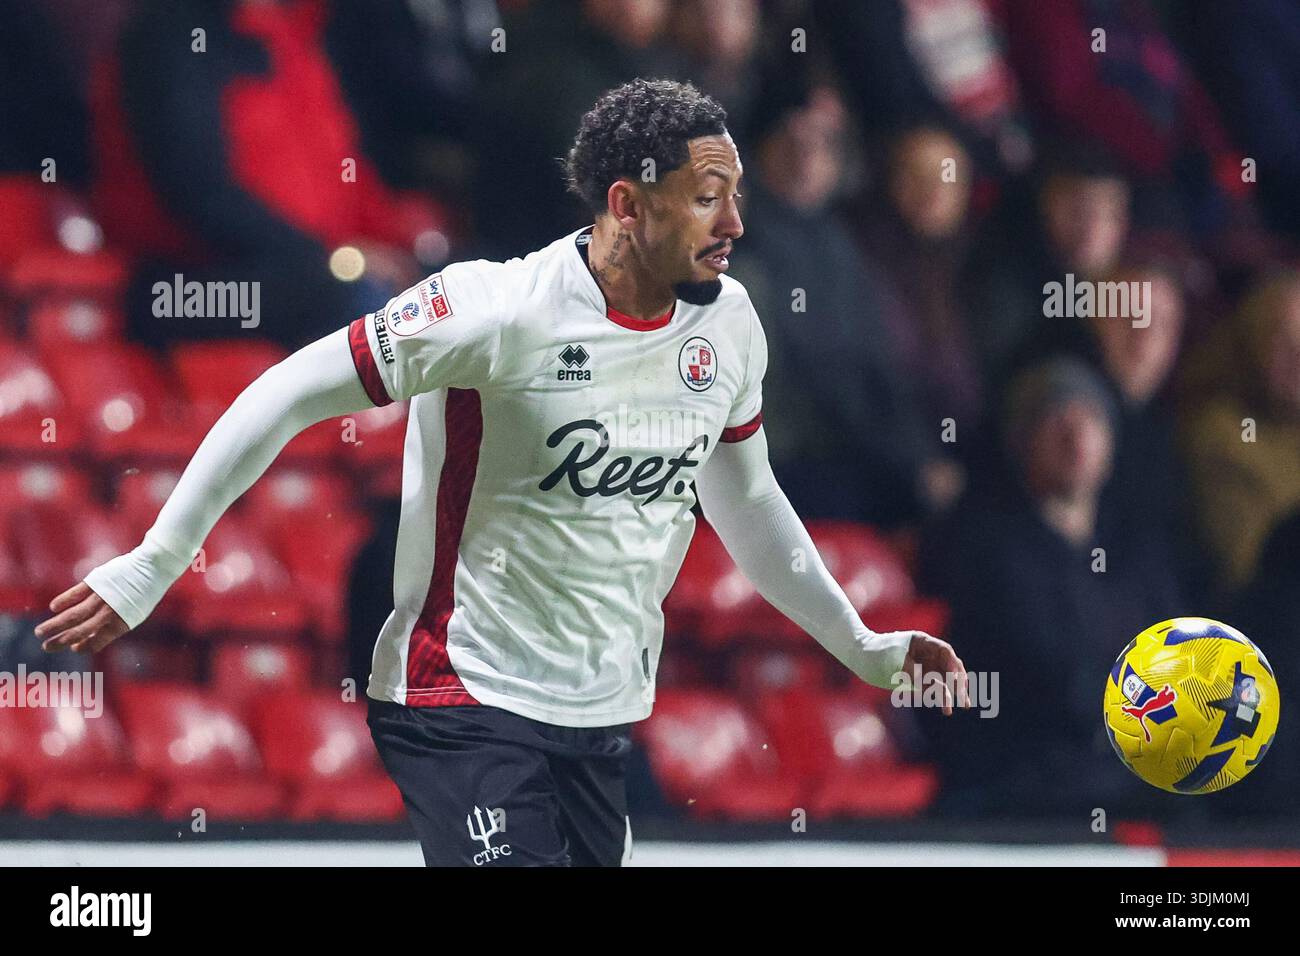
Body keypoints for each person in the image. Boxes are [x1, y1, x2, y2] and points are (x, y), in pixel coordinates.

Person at [35, 80, 968, 867]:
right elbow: (285, 391)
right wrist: (157, 562)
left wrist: (862, 645)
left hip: (598, 715)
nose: (734, 221)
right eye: (705, 195)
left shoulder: (728, 326)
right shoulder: (496, 309)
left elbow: (749, 497)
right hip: (461, 691)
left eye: (735, 193)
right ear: (627, 205)